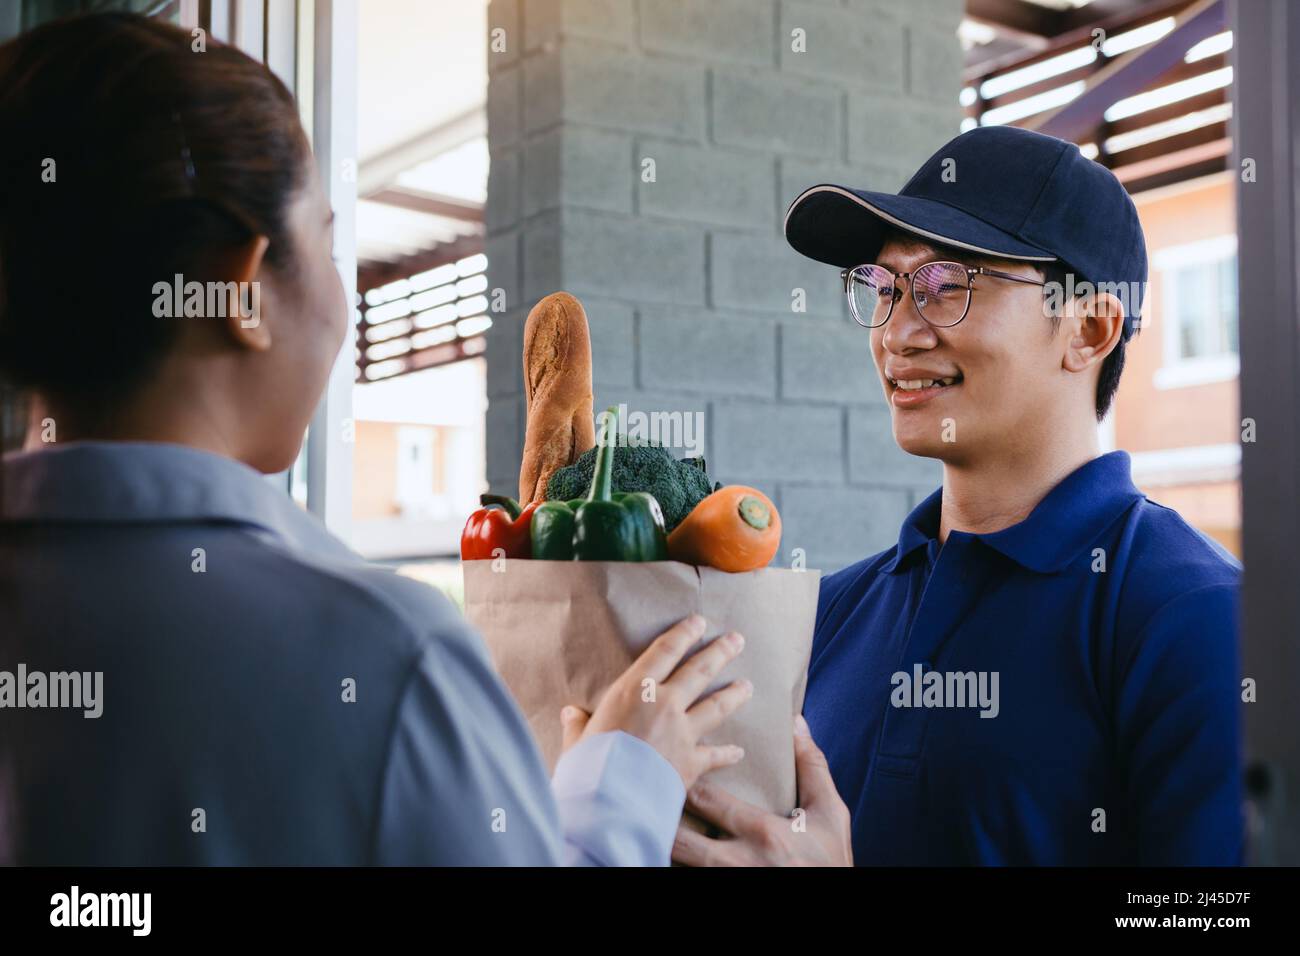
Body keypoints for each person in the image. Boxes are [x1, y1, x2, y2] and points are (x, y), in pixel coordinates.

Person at [0, 12, 772, 866]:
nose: (339, 300)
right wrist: (628, 777)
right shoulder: (381, 656)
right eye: (327, 238)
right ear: (242, 292)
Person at [675, 126, 1242, 866]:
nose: (898, 334)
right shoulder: (828, 614)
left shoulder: (1193, 615)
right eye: (884, 288)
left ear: (1090, 328)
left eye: (948, 286)